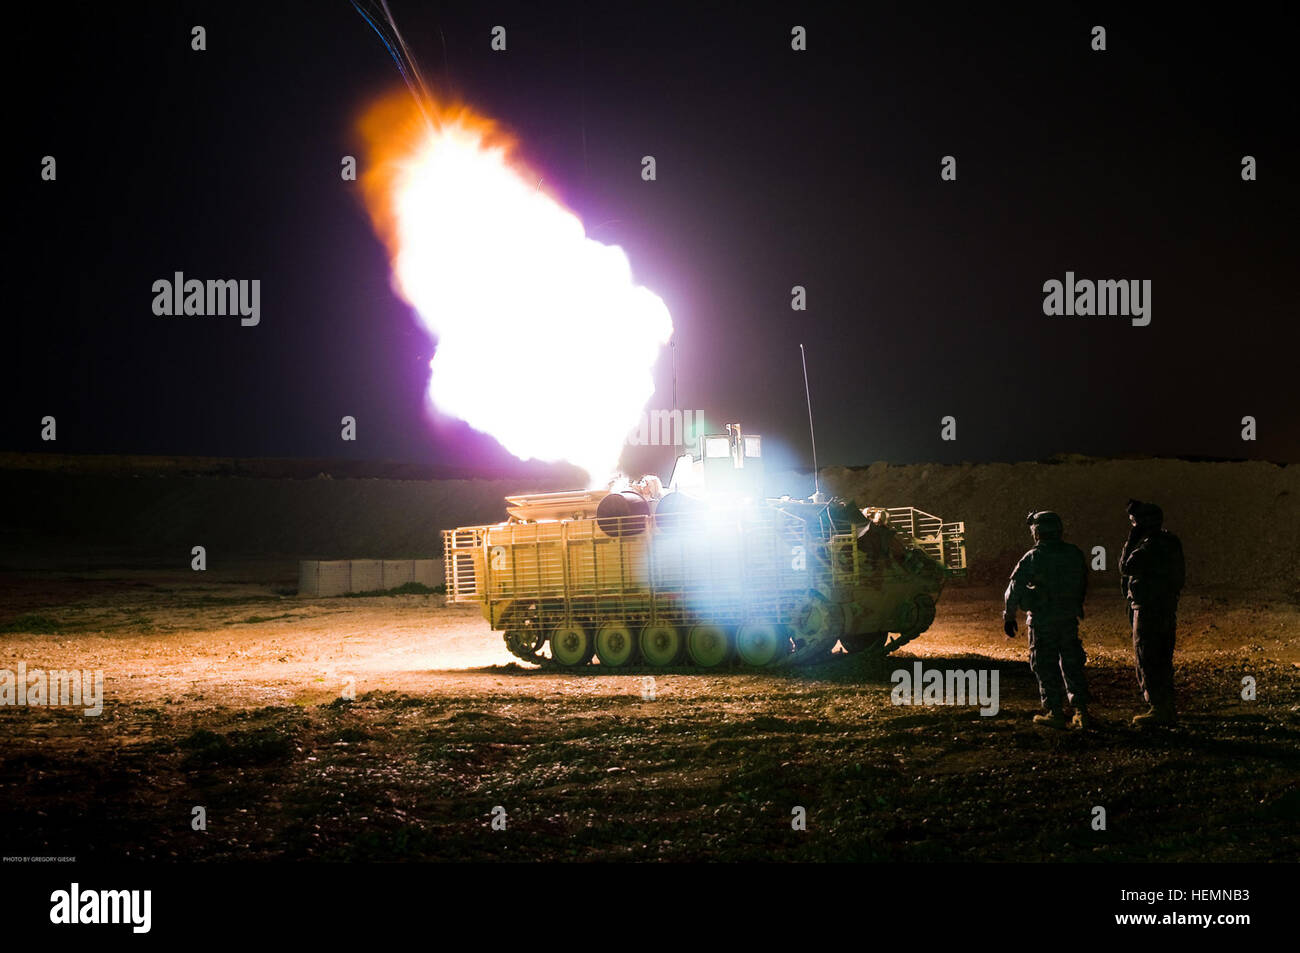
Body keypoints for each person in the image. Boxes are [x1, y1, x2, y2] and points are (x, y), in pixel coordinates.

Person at [1003, 510, 1091, 729]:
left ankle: (1054, 711)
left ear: (1037, 532)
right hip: (1067, 618)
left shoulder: (1034, 557)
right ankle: (1081, 711)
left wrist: (1009, 615)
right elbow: (1081, 583)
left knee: (1044, 664)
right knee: (1071, 662)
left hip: (1042, 620)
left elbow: (1013, 589)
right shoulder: (1074, 554)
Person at [1120, 500, 1185, 725]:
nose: (1133, 525)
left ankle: (1158, 708)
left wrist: (1132, 538)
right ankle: (1166, 706)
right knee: (1162, 657)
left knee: (1147, 655)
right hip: (1165, 607)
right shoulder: (1170, 540)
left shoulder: (1148, 545)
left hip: (1148, 608)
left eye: (1135, 522)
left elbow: (1125, 567)